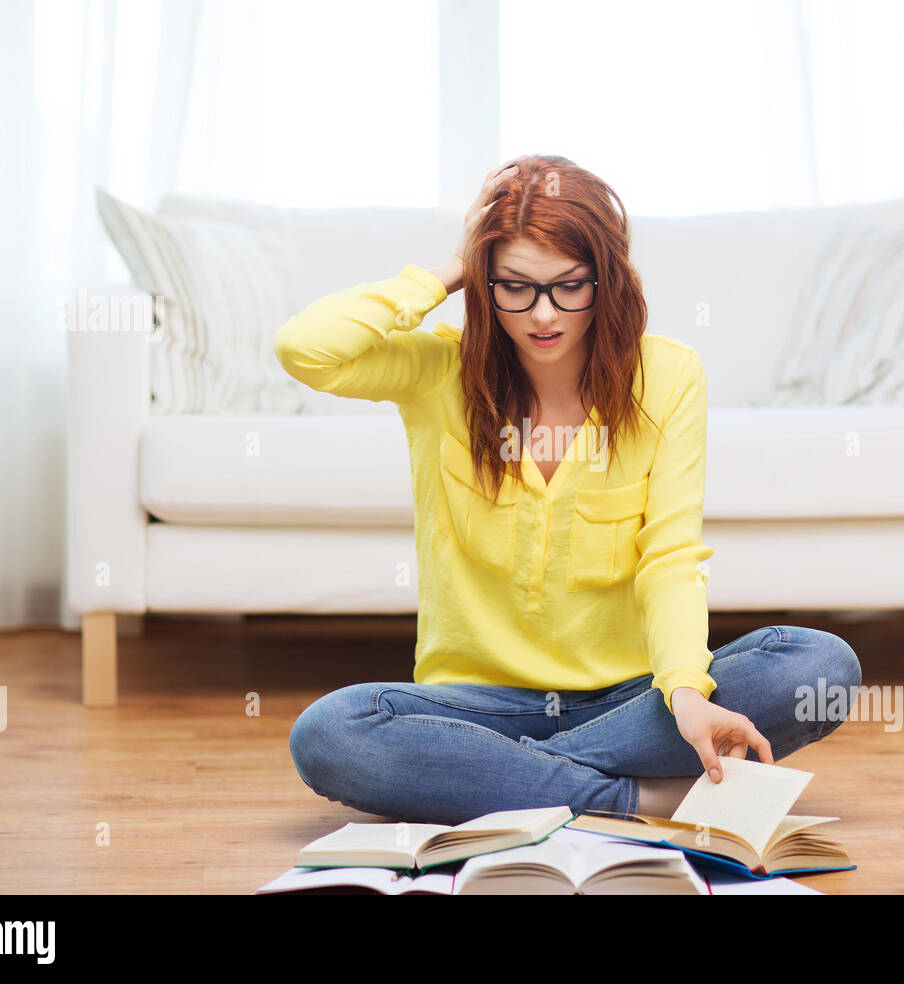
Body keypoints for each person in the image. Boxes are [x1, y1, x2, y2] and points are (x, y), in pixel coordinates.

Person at [276, 154, 861, 826]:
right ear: (485, 280)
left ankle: (492, 776)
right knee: (330, 732)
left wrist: (687, 694)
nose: (543, 313)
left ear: (605, 279)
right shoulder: (435, 372)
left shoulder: (668, 377)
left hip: (629, 702)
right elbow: (304, 348)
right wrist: (454, 268)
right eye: (515, 286)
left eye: (568, 286)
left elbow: (670, 559)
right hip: (477, 703)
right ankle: (631, 799)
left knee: (819, 666)